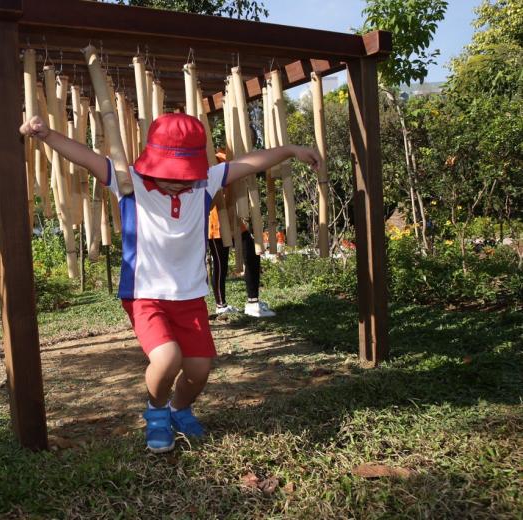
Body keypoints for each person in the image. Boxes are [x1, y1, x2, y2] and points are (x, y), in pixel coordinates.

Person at [20, 113, 320, 453]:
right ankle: (157, 413)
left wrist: (292, 149)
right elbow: (85, 156)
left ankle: (179, 408)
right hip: (144, 294)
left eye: (183, 175)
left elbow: (251, 163)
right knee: (167, 359)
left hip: (190, 296)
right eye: (170, 175)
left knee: (199, 369)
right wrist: (46, 135)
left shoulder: (205, 183)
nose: (177, 182)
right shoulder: (128, 181)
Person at [207, 152, 275, 318]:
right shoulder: (212, 158)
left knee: (252, 253)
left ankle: (253, 302)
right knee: (220, 264)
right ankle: (221, 305)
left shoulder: (229, 156)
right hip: (216, 222)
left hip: (236, 222)